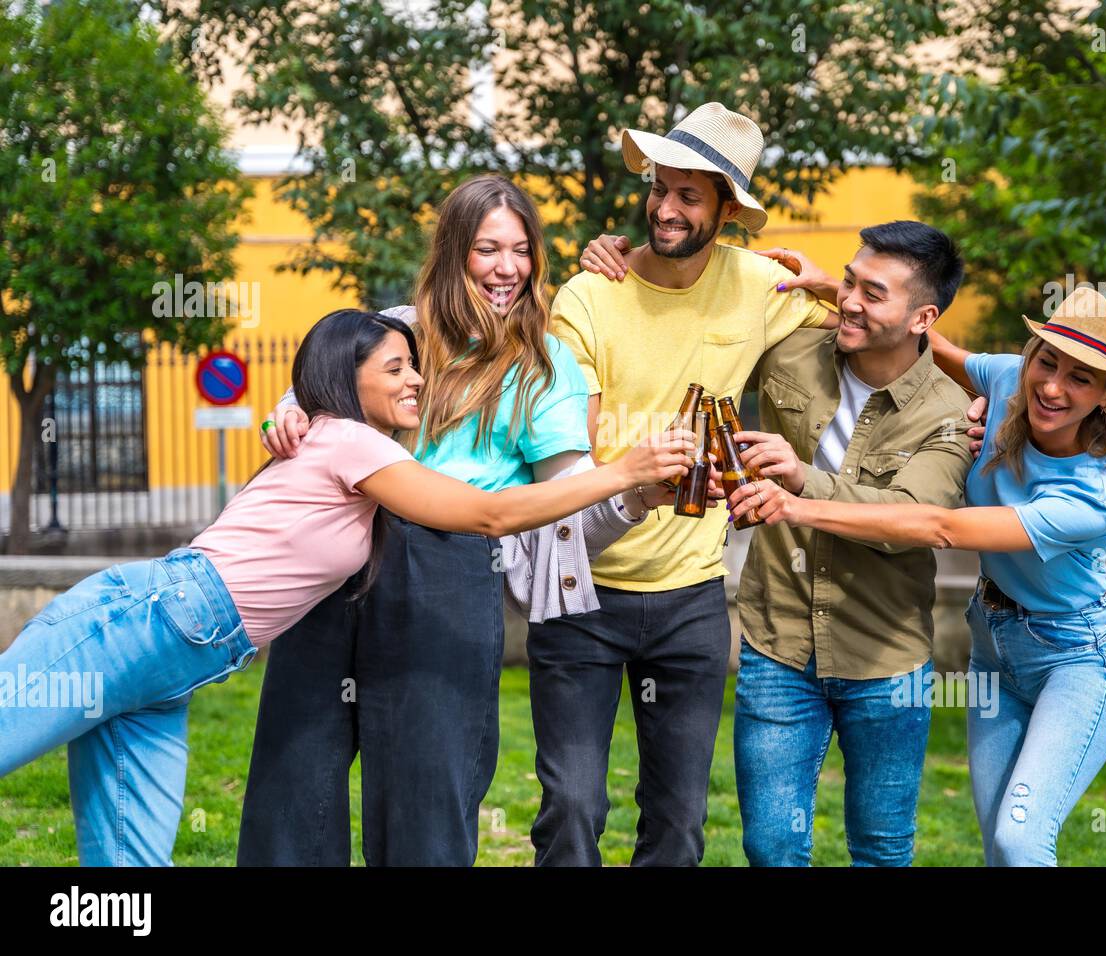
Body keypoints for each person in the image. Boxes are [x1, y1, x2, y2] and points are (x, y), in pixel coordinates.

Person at [0, 308, 692, 866]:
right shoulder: (352, 442)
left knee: (127, 865)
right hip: (137, 621)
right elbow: (490, 513)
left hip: (177, 669)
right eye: (395, 368)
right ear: (346, 379)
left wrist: (636, 494)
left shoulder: (358, 461)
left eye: (414, 365)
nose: (416, 380)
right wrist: (622, 470)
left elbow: (507, 500)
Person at [237, 175, 690, 867]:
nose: (506, 268)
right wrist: (281, 417)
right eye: (487, 249)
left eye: (521, 250)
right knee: (293, 783)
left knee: (426, 801)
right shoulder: (395, 331)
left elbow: (566, 508)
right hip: (336, 555)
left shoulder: (545, 367)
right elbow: (297, 401)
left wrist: (632, 495)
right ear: (453, 253)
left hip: (444, 574)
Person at [727, 285, 1106, 866]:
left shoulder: (1094, 492)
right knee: (998, 841)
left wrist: (798, 502)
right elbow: (922, 335)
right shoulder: (1004, 380)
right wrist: (829, 287)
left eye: (1080, 378)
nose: (1052, 387)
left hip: (1077, 657)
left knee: (1020, 839)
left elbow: (943, 528)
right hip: (994, 646)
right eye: (1046, 363)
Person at [534, 101, 840, 866]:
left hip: (691, 598)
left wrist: (833, 288)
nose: (665, 209)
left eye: (688, 195)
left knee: (678, 820)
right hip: (581, 589)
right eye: (658, 189)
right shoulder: (588, 295)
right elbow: (578, 452)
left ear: (728, 210)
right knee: (572, 805)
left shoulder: (761, 285)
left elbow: (885, 329)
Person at [724, 221, 973, 866]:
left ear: (925, 317)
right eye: (850, 281)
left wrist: (801, 485)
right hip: (776, 642)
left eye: (874, 293)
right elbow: (701, 340)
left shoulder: (949, 411)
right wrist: (625, 259)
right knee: (771, 846)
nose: (852, 303)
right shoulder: (791, 352)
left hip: (886, 659)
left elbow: (914, 517)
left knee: (882, 849)